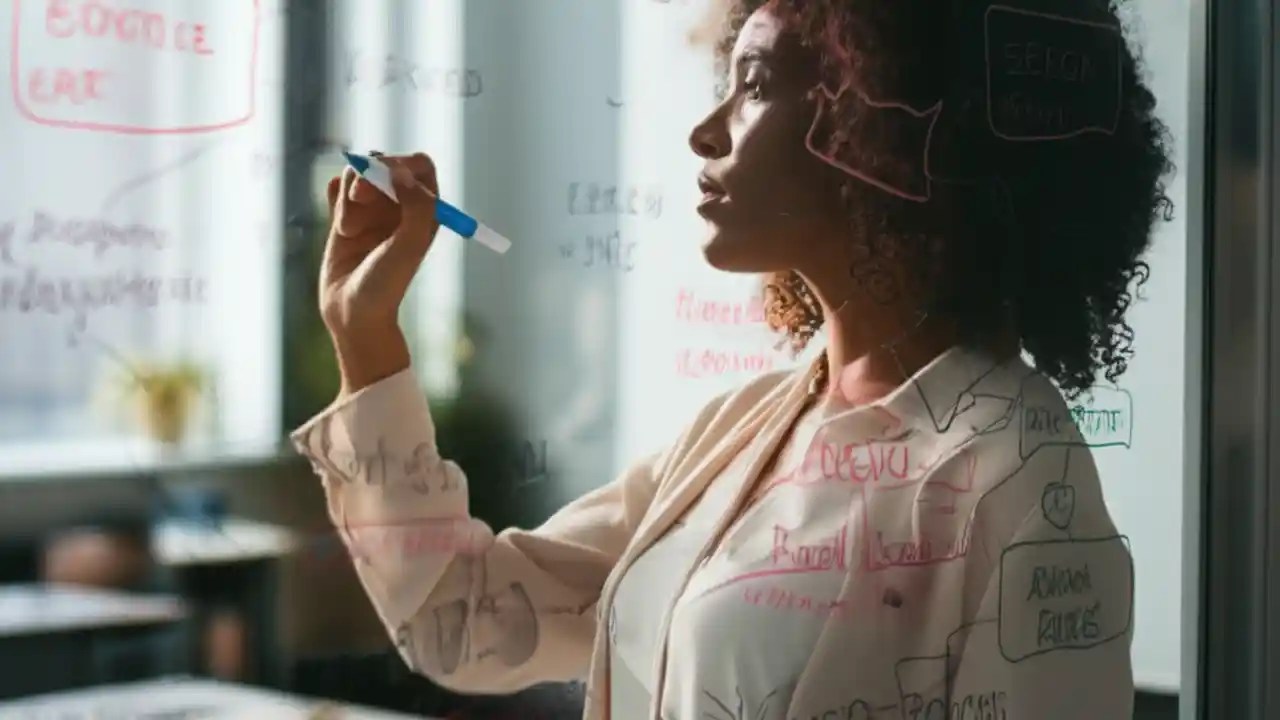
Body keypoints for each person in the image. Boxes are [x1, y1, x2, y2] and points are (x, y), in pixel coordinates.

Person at [291, 0, 1173, 718]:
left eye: (755, 87)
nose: (705, 133)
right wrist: (365, 333)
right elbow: (462, 618)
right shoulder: (744, 430)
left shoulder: (1016, 480)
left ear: (898, 137)